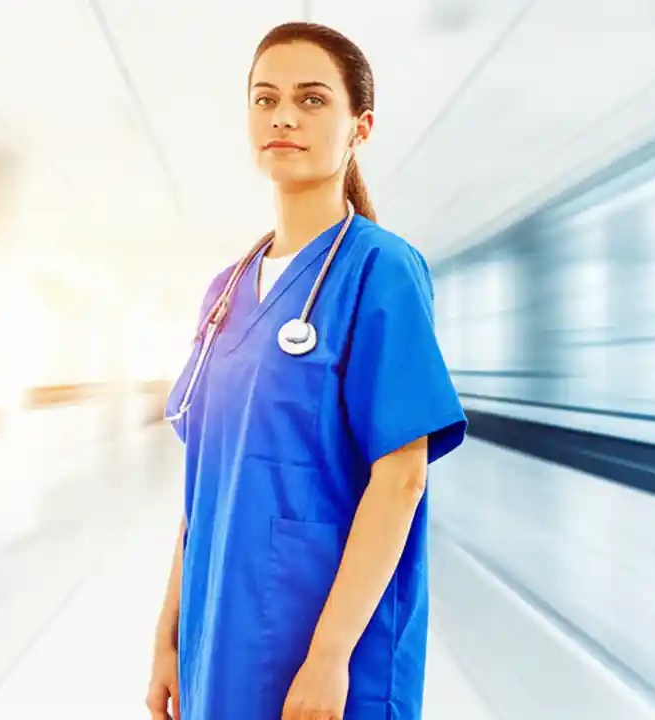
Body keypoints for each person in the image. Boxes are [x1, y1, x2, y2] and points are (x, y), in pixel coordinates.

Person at [147, 21, 467, 720]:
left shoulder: (380, 270)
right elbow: (205, 487)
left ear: (361, 127)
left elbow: (402, 477)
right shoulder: (224, 293)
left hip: (325, 652)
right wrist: (167, 633)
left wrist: (328, 658)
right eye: (265, 99)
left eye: (313, 99)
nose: (283, 116)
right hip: (217, 640)